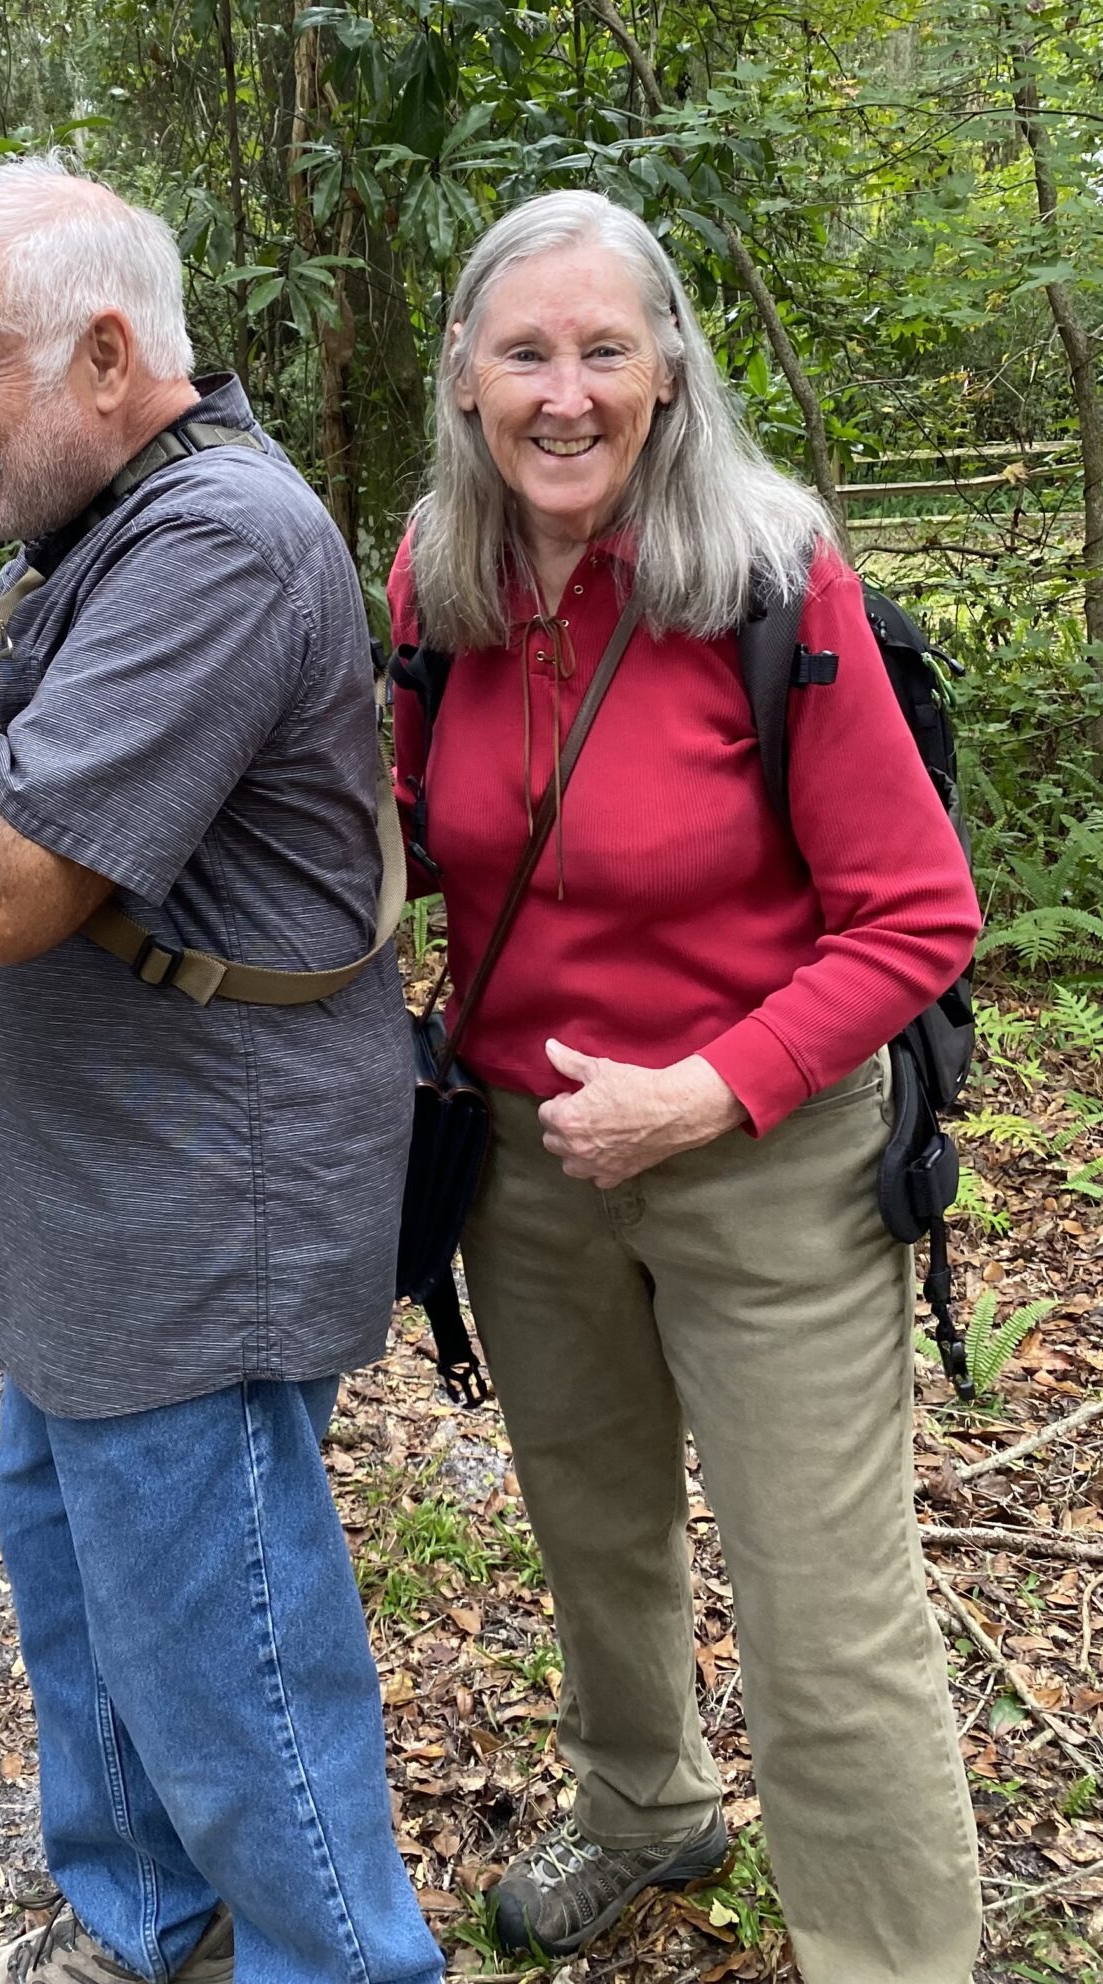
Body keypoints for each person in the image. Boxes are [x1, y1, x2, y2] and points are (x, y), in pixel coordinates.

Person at [0, 155, 441, 1984]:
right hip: (91, 1200)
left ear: (107, 354)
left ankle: (337, 1965)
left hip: (200, 1214)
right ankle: (156, 1927)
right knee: (87, 1588)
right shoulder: (104, 528)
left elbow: (8, 885)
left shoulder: (219, 541)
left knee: (229, 1661)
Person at [387, 191, 982, 1984]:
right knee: (592, 1526)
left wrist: (704, 1093)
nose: (562, 394)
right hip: (524, 1162)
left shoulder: (769, 576)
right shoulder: (439, 575)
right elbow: (407, 843)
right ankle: (645, 1806)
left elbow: (917, 916)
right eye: (523, 353)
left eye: (602, 349)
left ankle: (891, 1955)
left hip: (771, 1166)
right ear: (468, 382)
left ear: (664, 373)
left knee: (827, 1613)